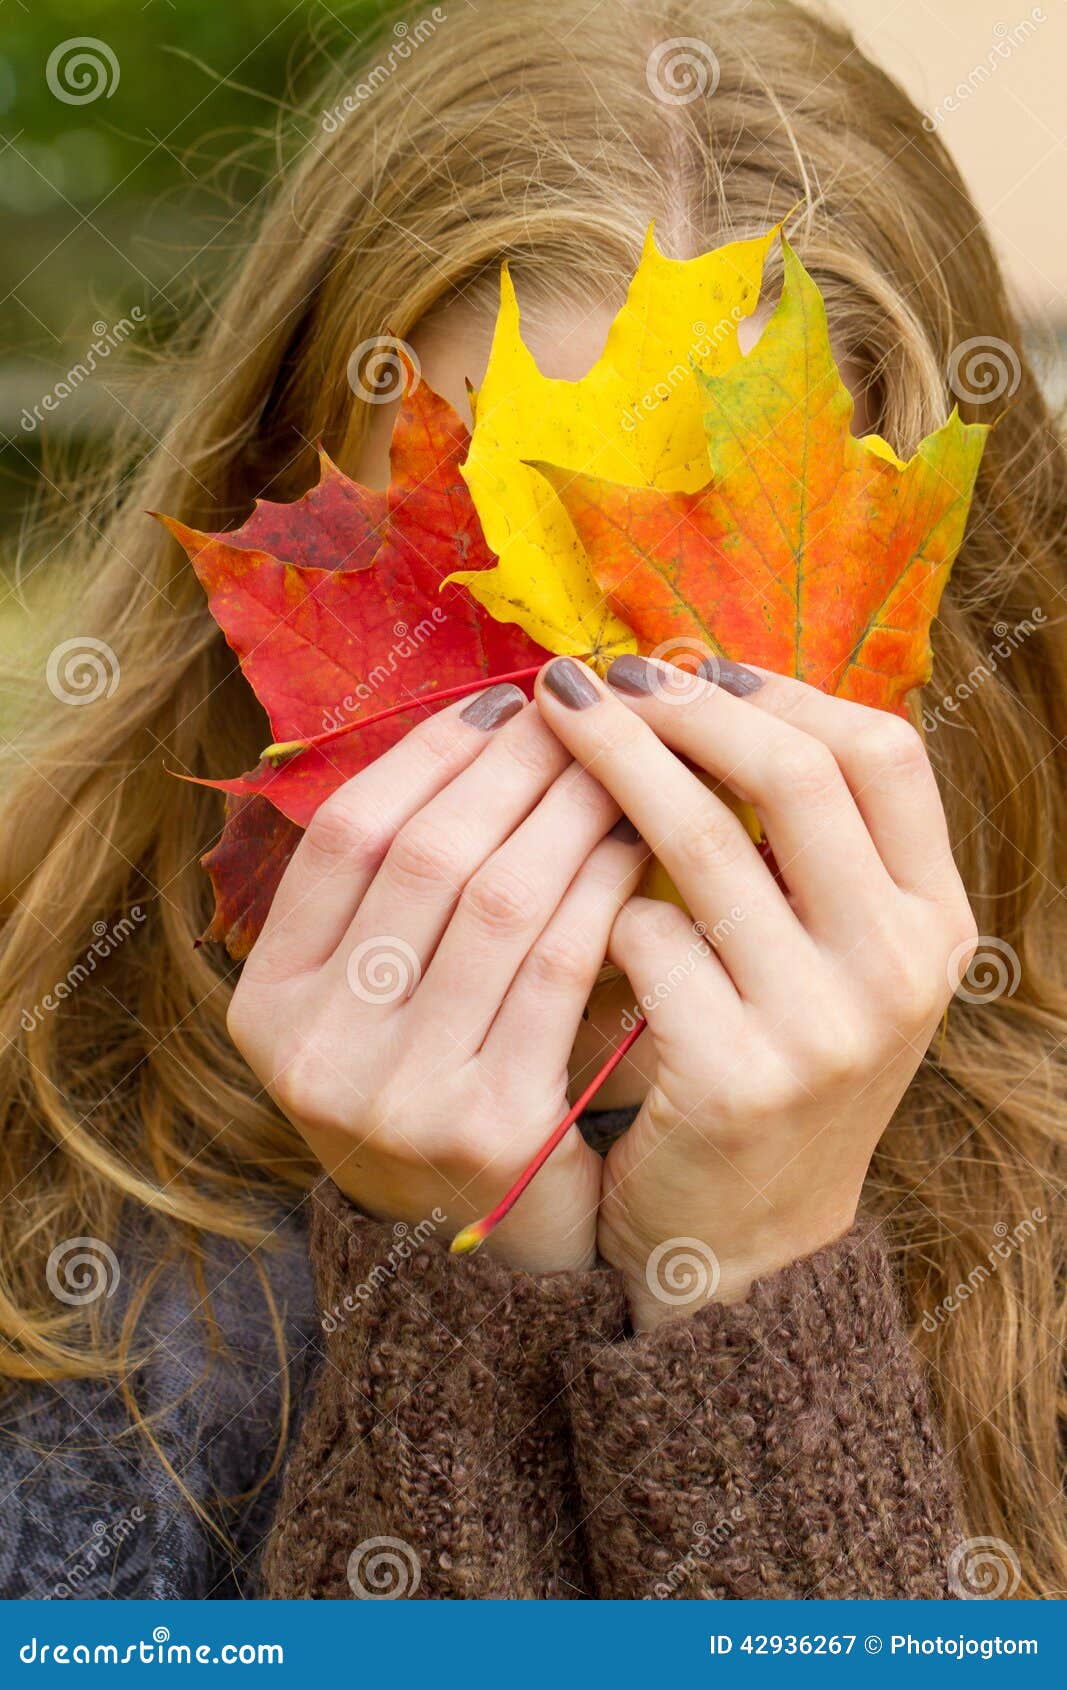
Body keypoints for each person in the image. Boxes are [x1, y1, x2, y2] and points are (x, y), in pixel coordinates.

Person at [2, 0, 1063, 1601]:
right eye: (491, 640)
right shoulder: (49, 1233)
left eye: (706, 675)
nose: (615, 793)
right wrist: (450, 1288)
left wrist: (757, 1296)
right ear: (277, 578)